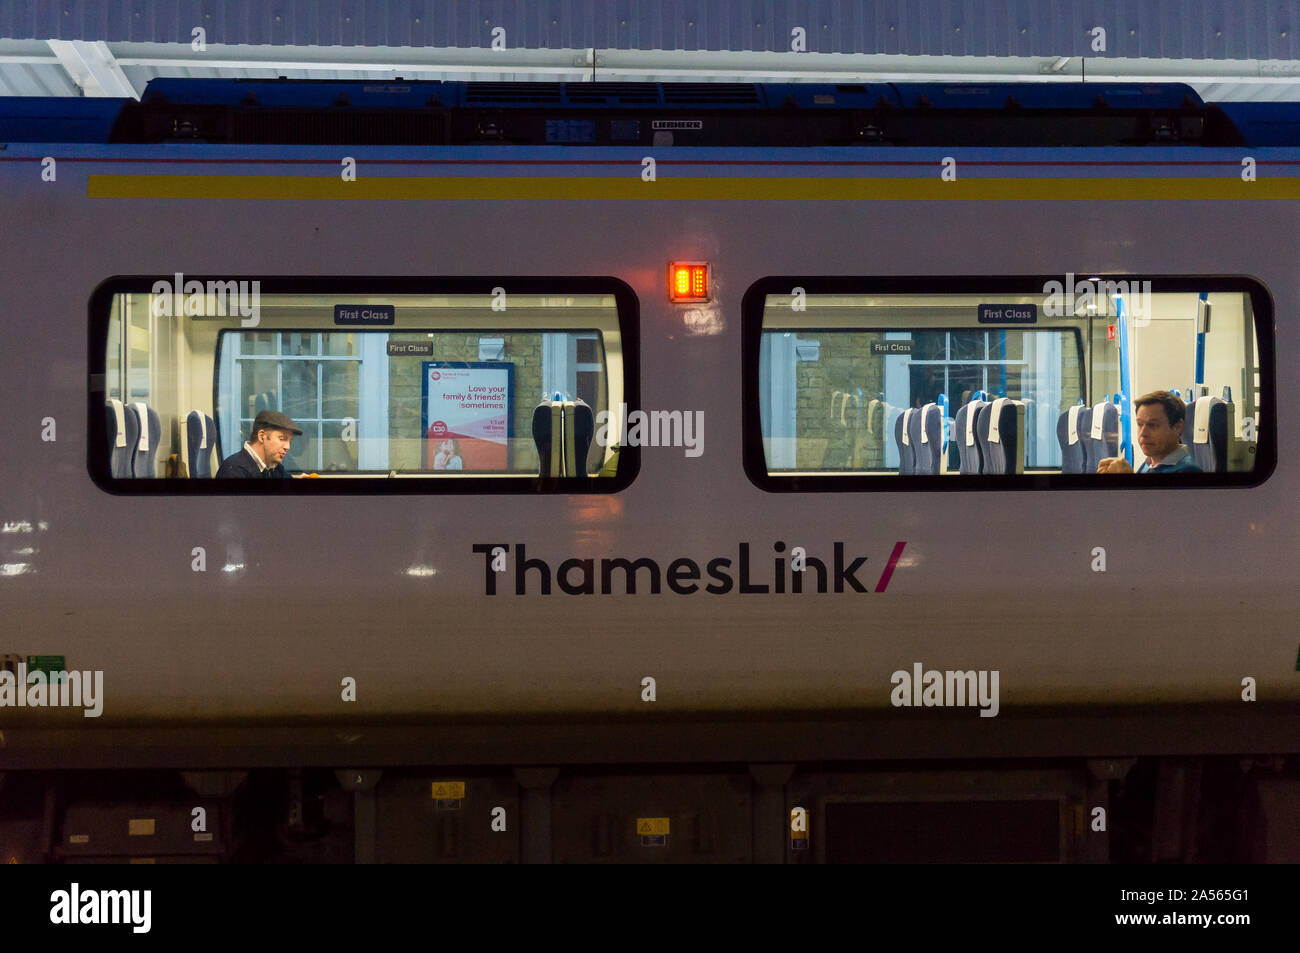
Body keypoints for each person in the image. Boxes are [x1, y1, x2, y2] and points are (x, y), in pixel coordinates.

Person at [1096, 390, 1203, 474]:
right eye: (1140, 424)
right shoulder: (1149, 463)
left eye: (1152, 425)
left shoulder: (1188, 470)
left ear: (1178, 427)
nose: (1143, 433)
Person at [216, 410, 304, 478]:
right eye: (282, 439)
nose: (287, 447)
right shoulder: (233, 471)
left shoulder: (275, 468)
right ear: (262, 436)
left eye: (289, 441)